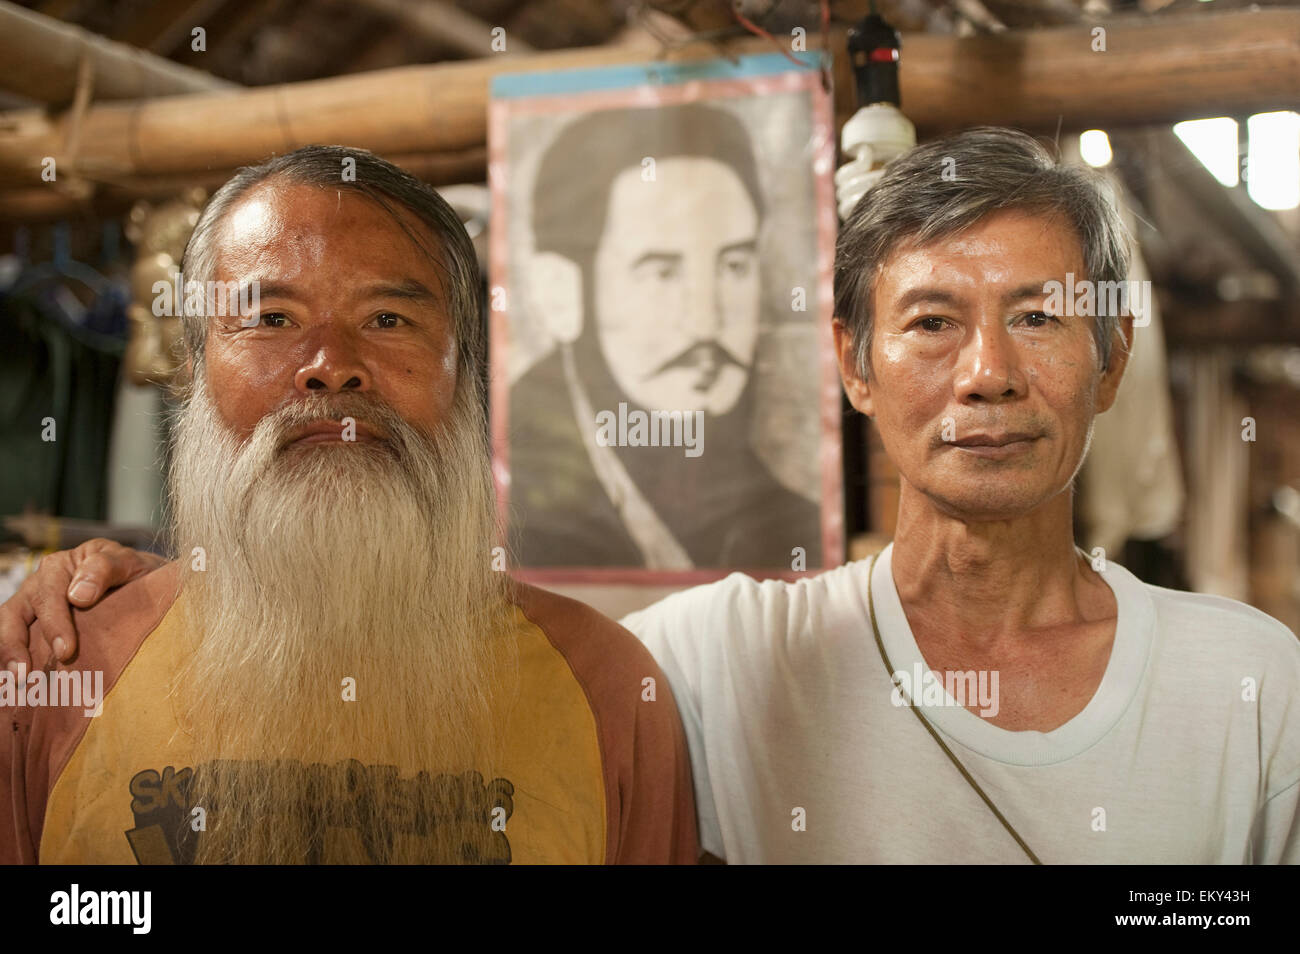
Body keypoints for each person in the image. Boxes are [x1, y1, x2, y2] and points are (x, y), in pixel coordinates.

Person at [10, 128, 1299, 863]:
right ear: (850, 362)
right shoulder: (46, 677)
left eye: (1038, 318)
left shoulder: (1252, 685)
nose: (987, 373)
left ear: (1113, 356)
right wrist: (84, 582)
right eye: (929, 321)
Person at [0, 145, 696, 865]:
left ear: (465, 370)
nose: (331, 364)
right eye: (271, 317)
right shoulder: (53, 671)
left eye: (389, 319)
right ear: (193, 367)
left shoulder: (607, 688)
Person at [509, 102, 821, 569]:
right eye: (661, 273)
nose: (705, 322)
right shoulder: (515, 516)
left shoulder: (788, 524)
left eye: (734, 266)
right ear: (561, 291)